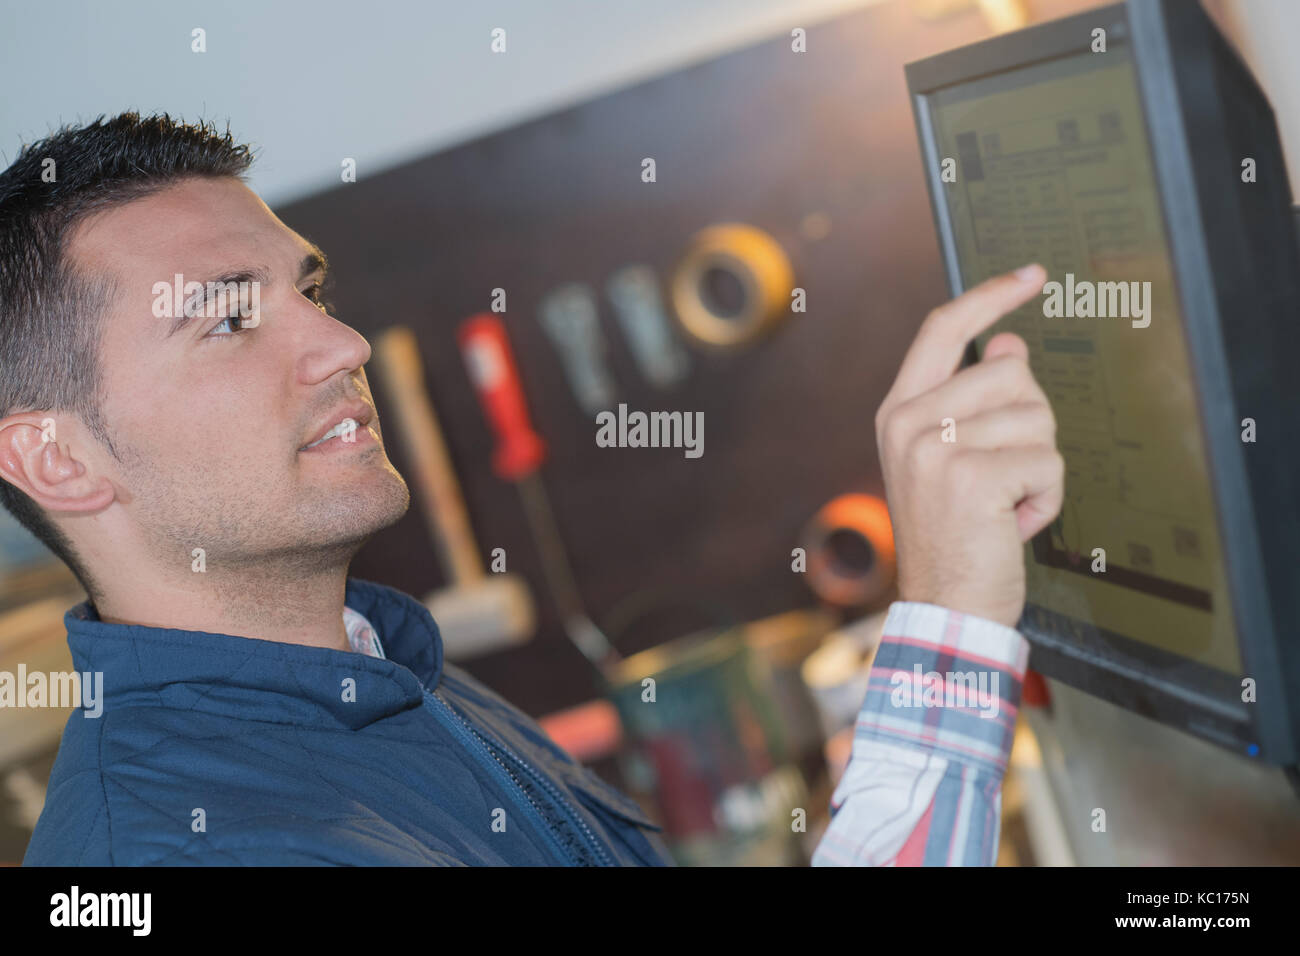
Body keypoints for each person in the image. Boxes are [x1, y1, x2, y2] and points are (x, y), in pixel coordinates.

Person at [1, 113, 1061, 866]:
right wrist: (950, 627)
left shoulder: (378, 663)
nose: (342, 341)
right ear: (58, 460)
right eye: (228, 317)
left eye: (308, 289)